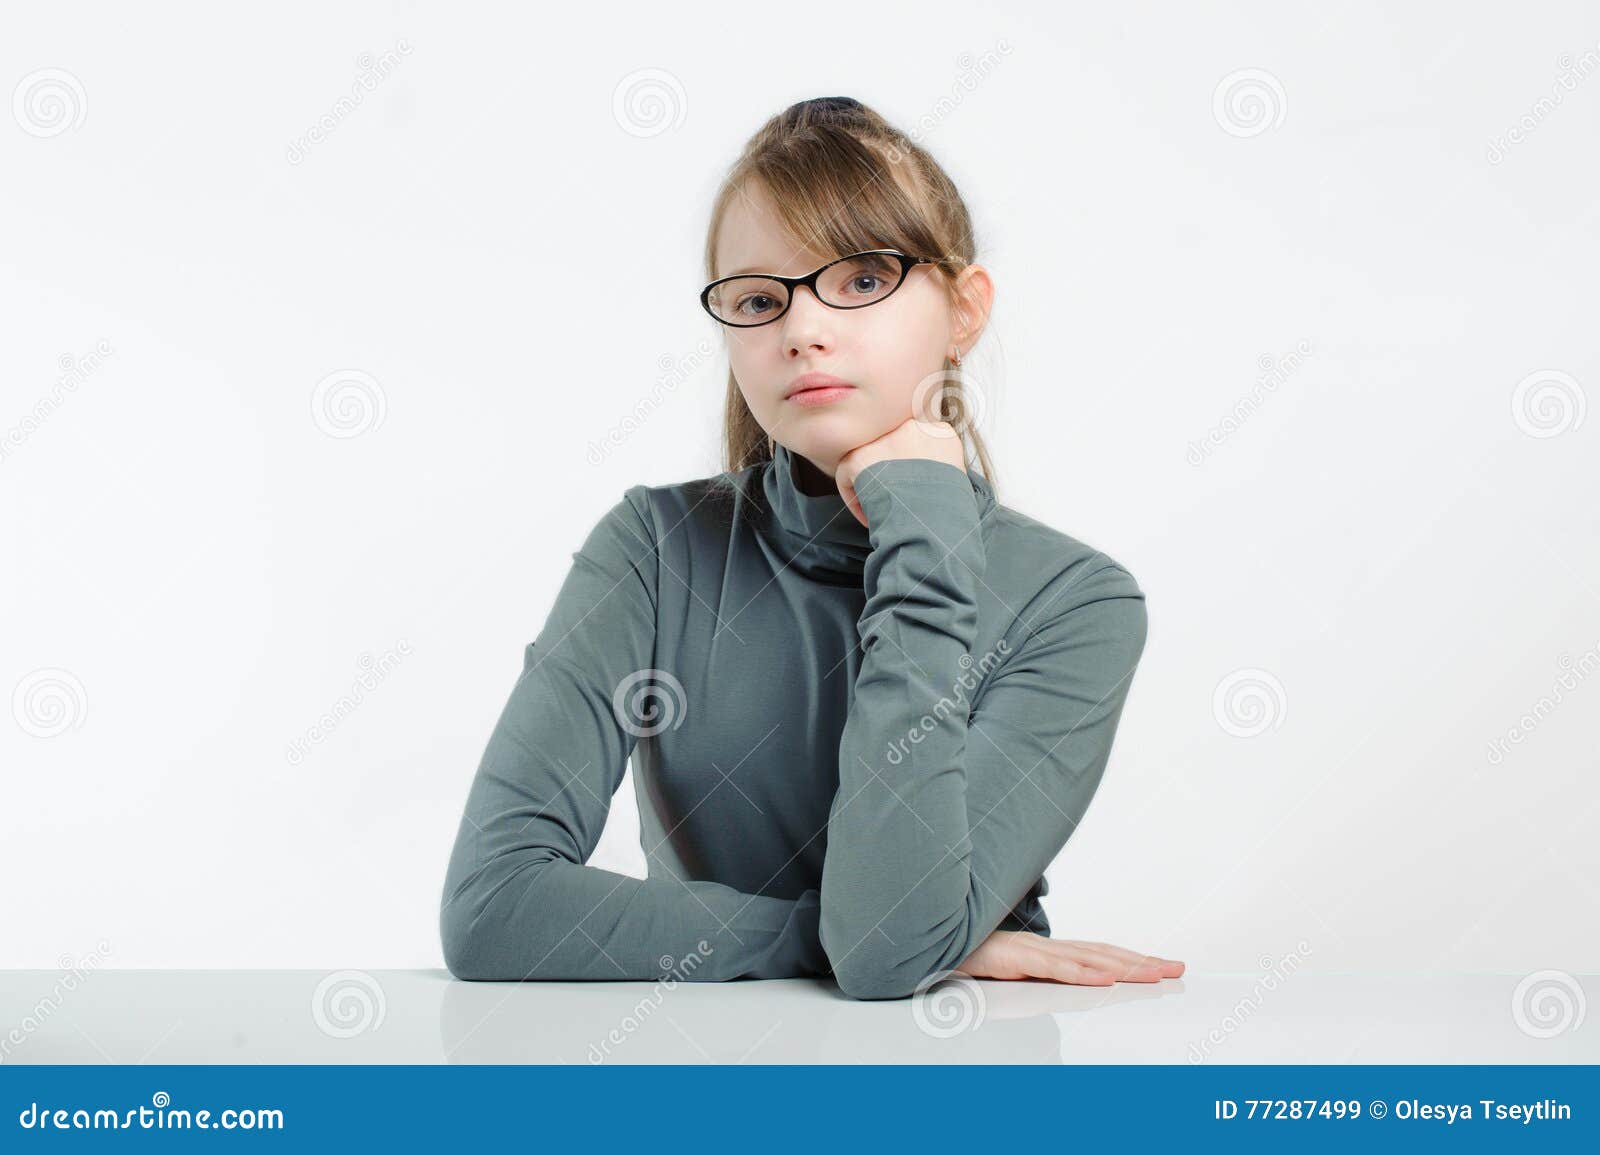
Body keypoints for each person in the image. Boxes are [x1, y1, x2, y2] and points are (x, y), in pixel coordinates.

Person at [439, 96, 1184, 1001]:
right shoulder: (655, 547)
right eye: (759, 299)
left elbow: (884, 962)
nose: (803, 330)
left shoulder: (1076, 600)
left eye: (863, 279)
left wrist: (924, 528)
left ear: (963, 309)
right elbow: (494, 906)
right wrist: (880, 933)